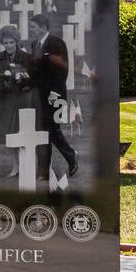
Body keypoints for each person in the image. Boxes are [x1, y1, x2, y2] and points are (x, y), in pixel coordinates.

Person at [27, 12, 78, 183]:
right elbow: (34, 71)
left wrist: (55, 93)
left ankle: (70, 157)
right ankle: (44, 171)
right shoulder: (34, 45)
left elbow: (62, 70)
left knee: (52, 129)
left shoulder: (57, 44)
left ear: (43, 27)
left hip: (54, 95)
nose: (31, 30)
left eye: (33, 27)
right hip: (38, 96)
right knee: (43, 132)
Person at [0, 25, 34, 177]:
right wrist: (2, 84)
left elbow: (31, 80)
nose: (8, 46)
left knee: (22, 133)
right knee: (8, 135)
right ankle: (16, 166)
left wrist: (20, 79)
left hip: (22, 99)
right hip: (6, 99)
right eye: (5, 43)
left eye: (11, 43)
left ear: (16, 42)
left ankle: (27, 163)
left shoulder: (26, 57)